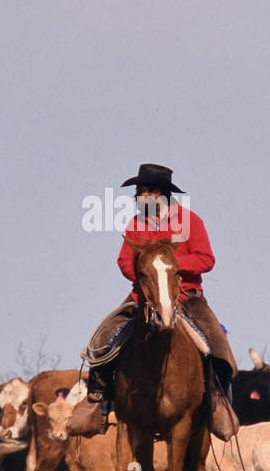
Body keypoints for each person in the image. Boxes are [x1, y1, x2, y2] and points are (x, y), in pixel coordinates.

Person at [68, 163, 239, 441]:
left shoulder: (191, 221)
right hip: (143, 296)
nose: (140, 196)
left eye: (146, 191)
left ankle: (217, 400)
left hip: (186, 296)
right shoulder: (135, 224)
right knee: (104, 338)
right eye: (139, 192)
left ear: (161, 194)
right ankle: (97, 401)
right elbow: (124, 261)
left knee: (215, 341)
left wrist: (168, 265)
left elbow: (206, 259)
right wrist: (147, 271)